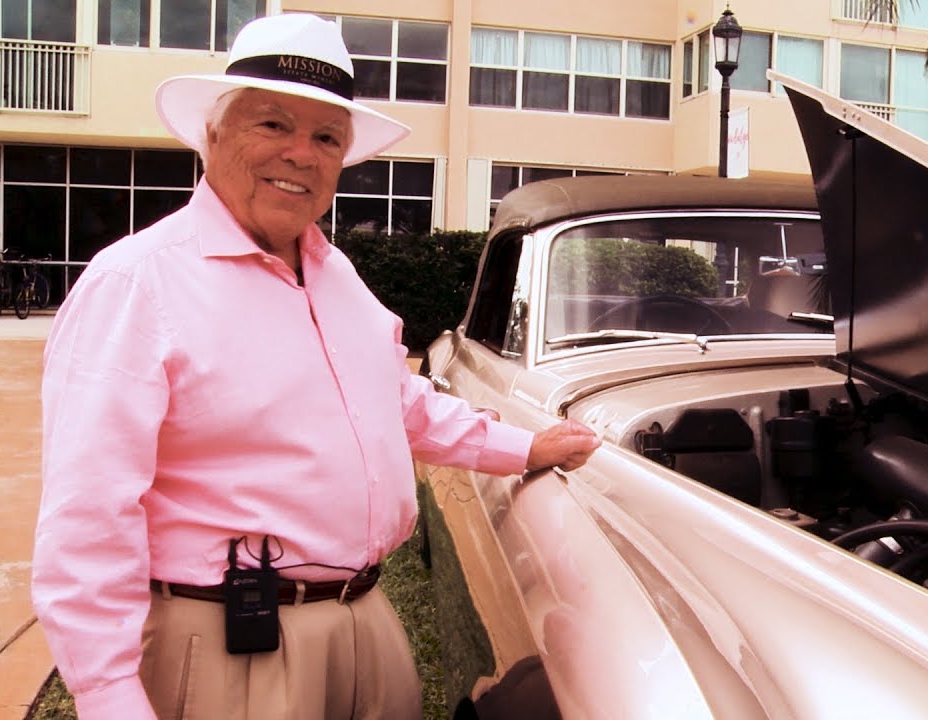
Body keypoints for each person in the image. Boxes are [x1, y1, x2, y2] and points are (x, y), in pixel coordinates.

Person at [31, 13, 601, 720]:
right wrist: (108, 695)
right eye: (272, 124)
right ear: (212, 134)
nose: (301, 153)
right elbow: (88, 513)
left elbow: (396, 402)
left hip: (365, 617)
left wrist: (524, 447)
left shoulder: (337, 277)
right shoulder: (137, 284)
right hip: (228, 643)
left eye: (326, 136)